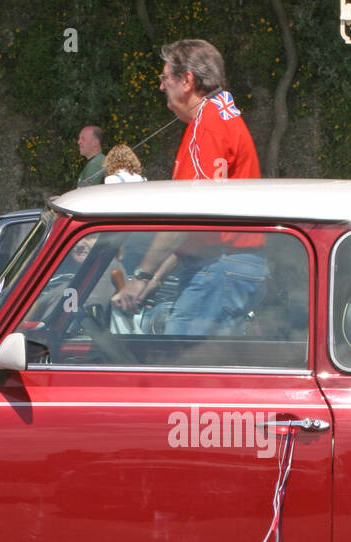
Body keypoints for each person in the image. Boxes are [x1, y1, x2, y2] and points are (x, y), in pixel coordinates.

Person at [111, 39, 266, 335]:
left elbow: (187, 216)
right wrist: (156, 278)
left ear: (187, 80)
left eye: (164, 77)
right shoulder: (223, 114)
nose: (160, 86)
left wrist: (141, 277)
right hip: (234, 266)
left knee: (177, 365)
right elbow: (203, 225)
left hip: (217, 269)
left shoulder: (205, 128)